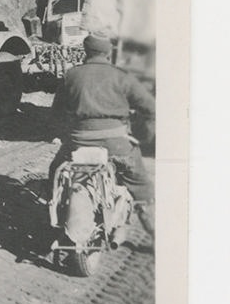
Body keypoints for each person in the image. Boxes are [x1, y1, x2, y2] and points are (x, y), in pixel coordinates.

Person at [48, 33, 156, 236]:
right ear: (108, 52)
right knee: (139, 181)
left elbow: (56, 114)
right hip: (117, 144)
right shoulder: (121, 76)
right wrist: (146, 135)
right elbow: (151, 108)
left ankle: (53, 210)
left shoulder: (71, 75)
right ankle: (148, 219)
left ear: (85, 51)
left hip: (78, 142)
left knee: (55, 171)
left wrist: (63, 135)